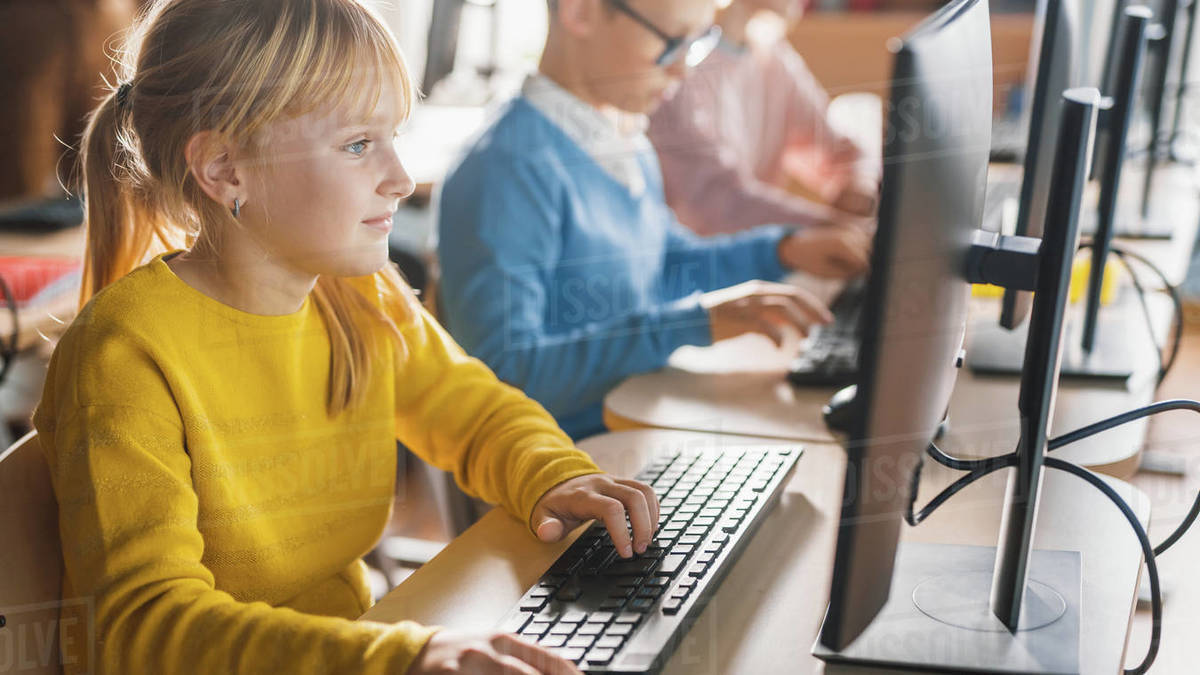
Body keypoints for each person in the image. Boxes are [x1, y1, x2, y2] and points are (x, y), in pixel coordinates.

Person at [34, 1, 658, 673]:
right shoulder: (125, 355)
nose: (398, 175)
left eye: (392, 136)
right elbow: (143, 626)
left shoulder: (355, 294)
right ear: (223, 170)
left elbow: (474, 409)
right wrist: (403, 655)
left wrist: (554, 474)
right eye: (359, 144)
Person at [438, 0, 871, 441]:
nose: (683, 69)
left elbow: (663, 262)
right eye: (670, 42)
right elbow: (506, 377)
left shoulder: (623, 135)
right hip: (565, 474)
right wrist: (689, 324)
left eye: (697, 41)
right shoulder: (508, 169)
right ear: (580, 12)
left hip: (637, 428)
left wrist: (781, 249)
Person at [647, 0, 879, 235]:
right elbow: (715, 207)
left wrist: (861, 183)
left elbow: (834, 147)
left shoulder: (767, 50)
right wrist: (839, 230)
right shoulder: (678, 71)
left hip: (759, 259)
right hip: (709, 264)